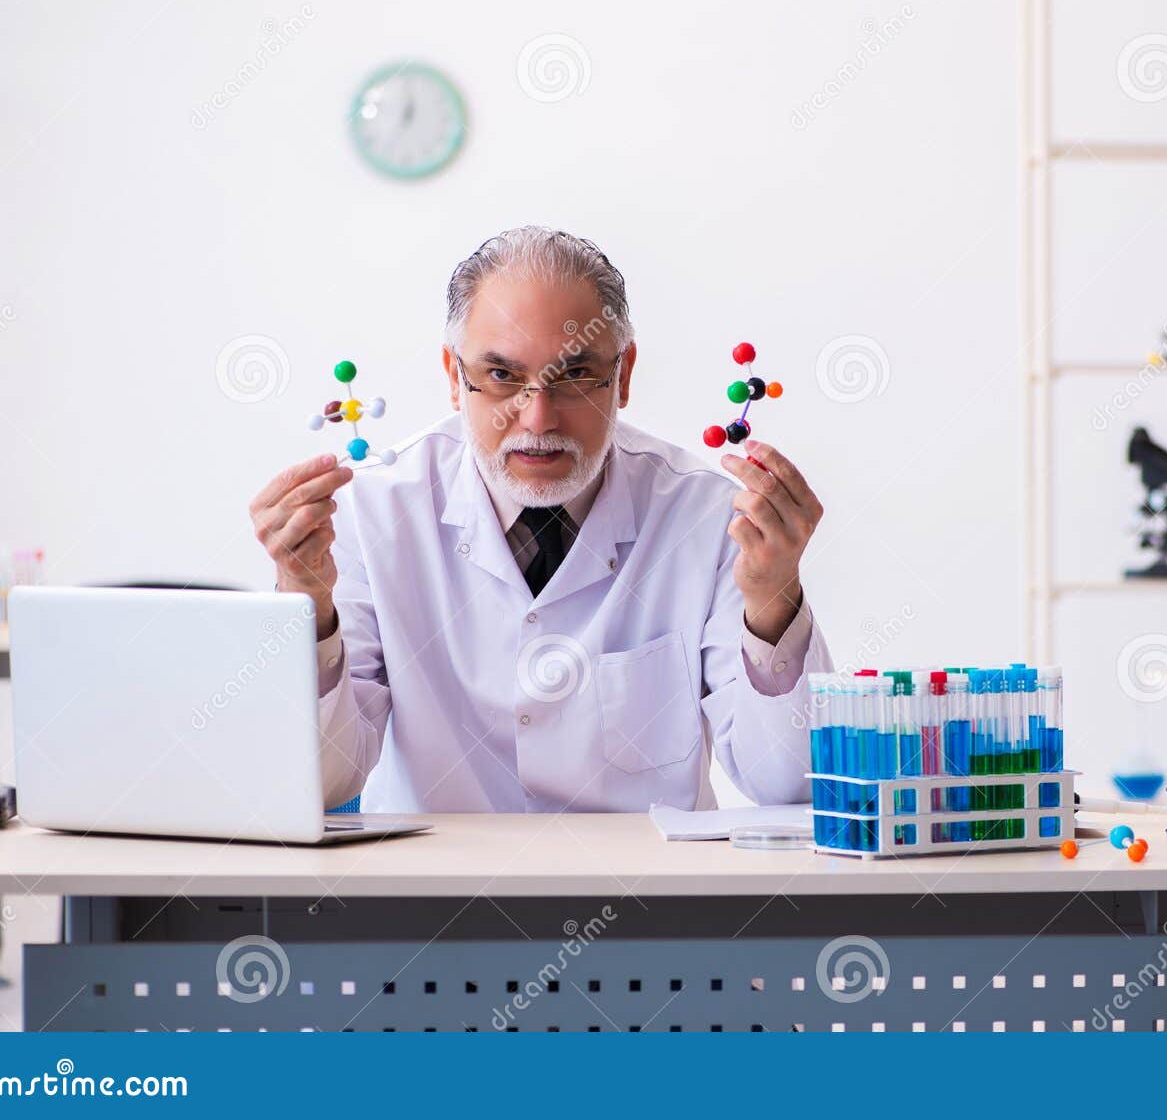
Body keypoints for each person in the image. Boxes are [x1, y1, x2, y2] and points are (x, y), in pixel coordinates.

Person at [248, 226, 832, 812]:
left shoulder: (705, 519)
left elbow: (791, 783)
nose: (537, 419)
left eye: (574, 375)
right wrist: (305, 601)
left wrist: (774, 597)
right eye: (502, 376)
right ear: (455, 377)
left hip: (645, 895)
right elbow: (320, 783)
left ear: (623, 375)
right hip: (434, 894)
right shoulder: (373, 516)